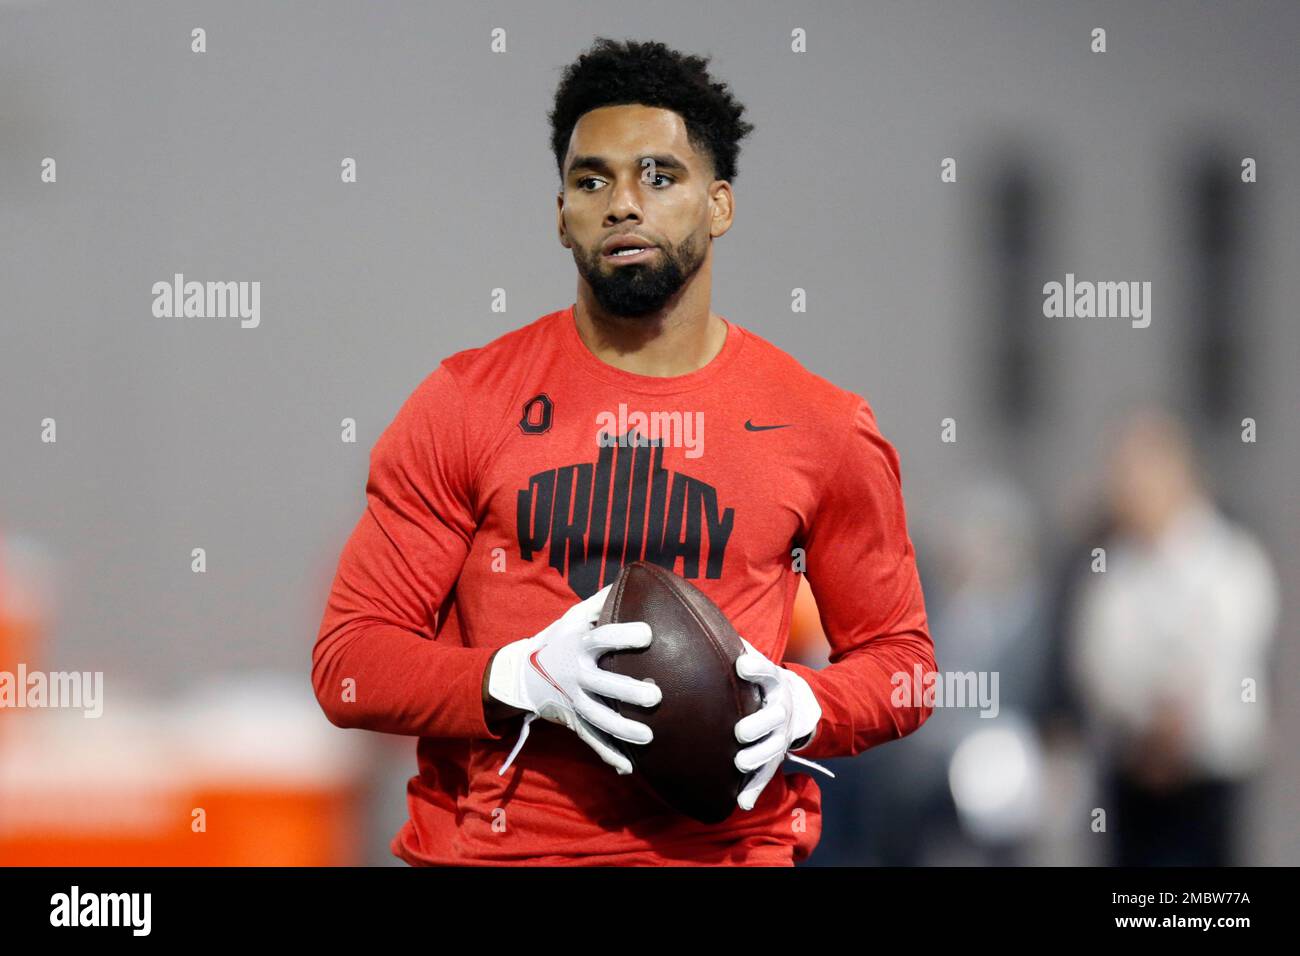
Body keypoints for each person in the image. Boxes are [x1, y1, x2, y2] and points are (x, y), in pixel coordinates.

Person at [312, 37, 935, 866]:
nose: (623, 203)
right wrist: (517, 678)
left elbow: (908, 667)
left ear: (719, 205)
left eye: (660, 176)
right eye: (592, 179)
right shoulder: (465, 404)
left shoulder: (818, 424)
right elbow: (349, 662)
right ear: (561, 214)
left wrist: (805, 704)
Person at [1069, 408, 1279, 865]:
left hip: (1208, 778)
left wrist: (1178, 725)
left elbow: (1229, 650)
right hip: (1132, 775)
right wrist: (1143, 724)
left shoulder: (1228, 561)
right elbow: (1100, 665)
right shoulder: (1114, 572)